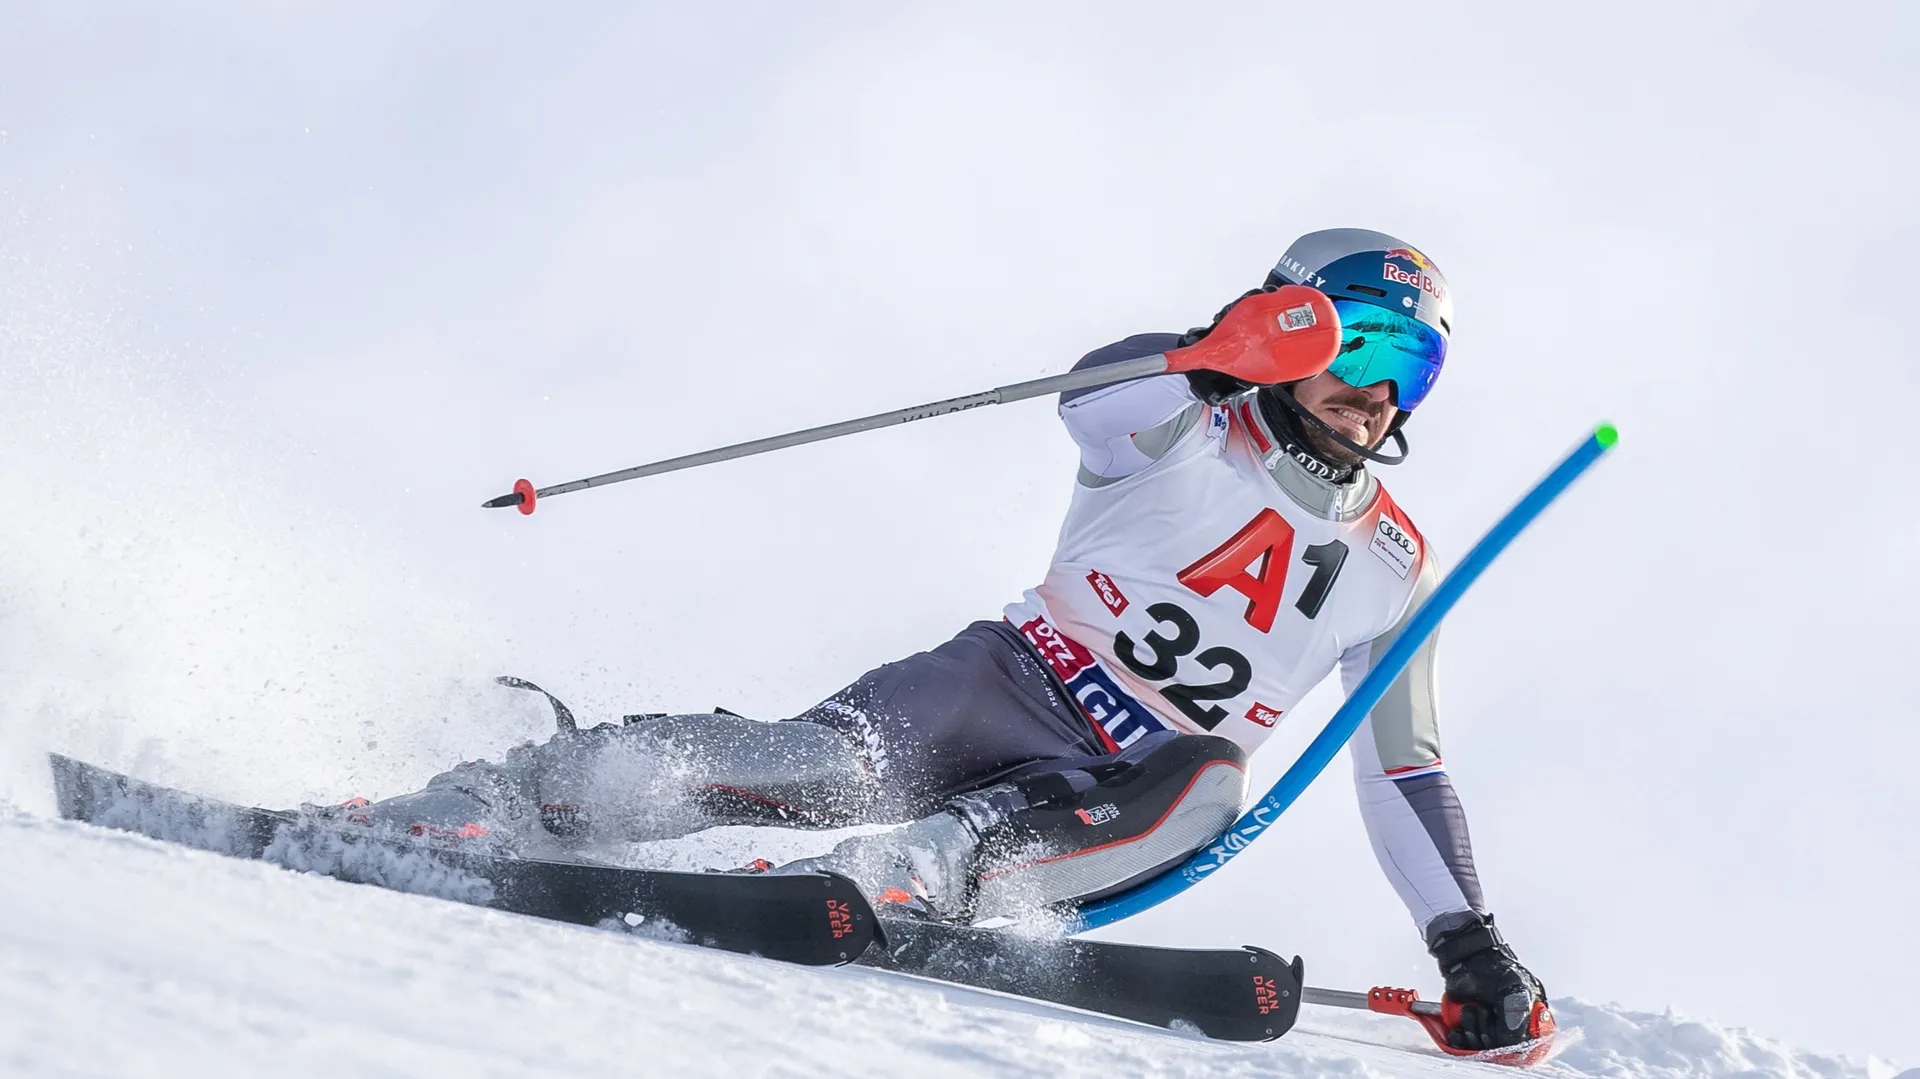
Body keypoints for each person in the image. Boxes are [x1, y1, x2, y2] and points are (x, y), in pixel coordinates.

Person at [340, 228, 1549, 1051]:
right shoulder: (1188, 423)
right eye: (1358, 347)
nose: (1379, 391)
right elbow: (1096, 393)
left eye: (1414, 366)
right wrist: (1226, 345)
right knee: (803, 766)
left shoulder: (1394, 566)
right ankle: (517, 787)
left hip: (1122, 789)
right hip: (1002, 681)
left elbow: (1404, 765)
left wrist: (1468, 942)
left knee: (1215, 781)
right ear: (1292, 333)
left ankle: (916, 873)